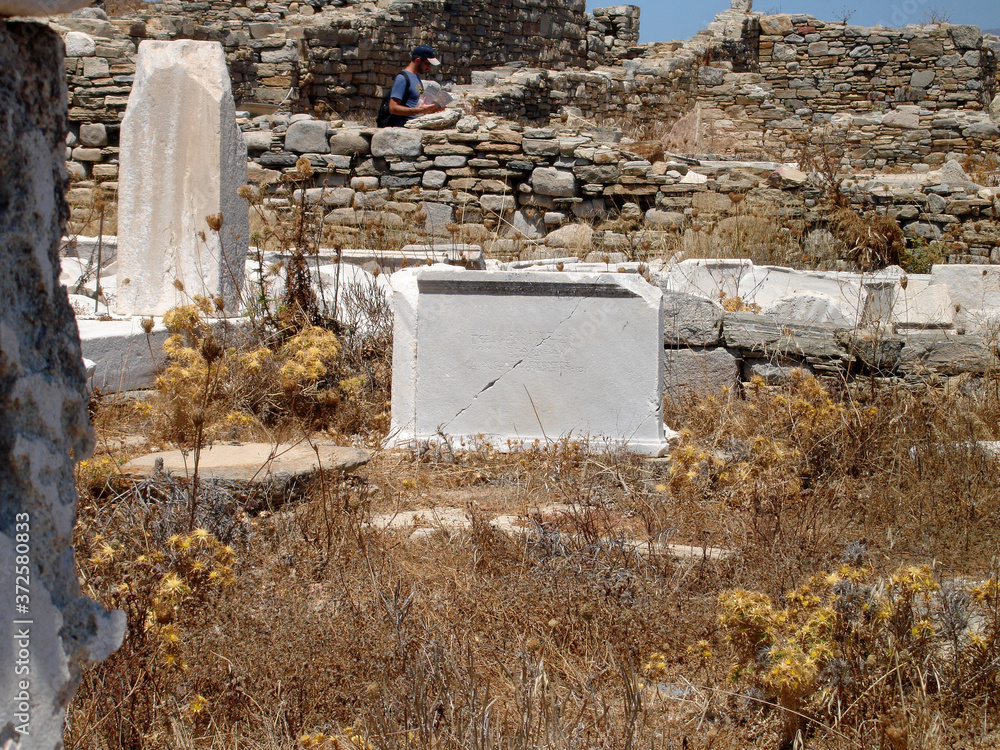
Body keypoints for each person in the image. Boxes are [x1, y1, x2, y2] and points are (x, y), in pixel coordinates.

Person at [386, 45, 445, 127]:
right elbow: (393, 108)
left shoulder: (416, 77)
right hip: (403, 129)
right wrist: (417, 111)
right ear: (418, 61)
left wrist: (431, 109)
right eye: (427, 64)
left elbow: (415, 105)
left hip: (415, 126)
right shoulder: (402, 79)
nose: (429, 67)